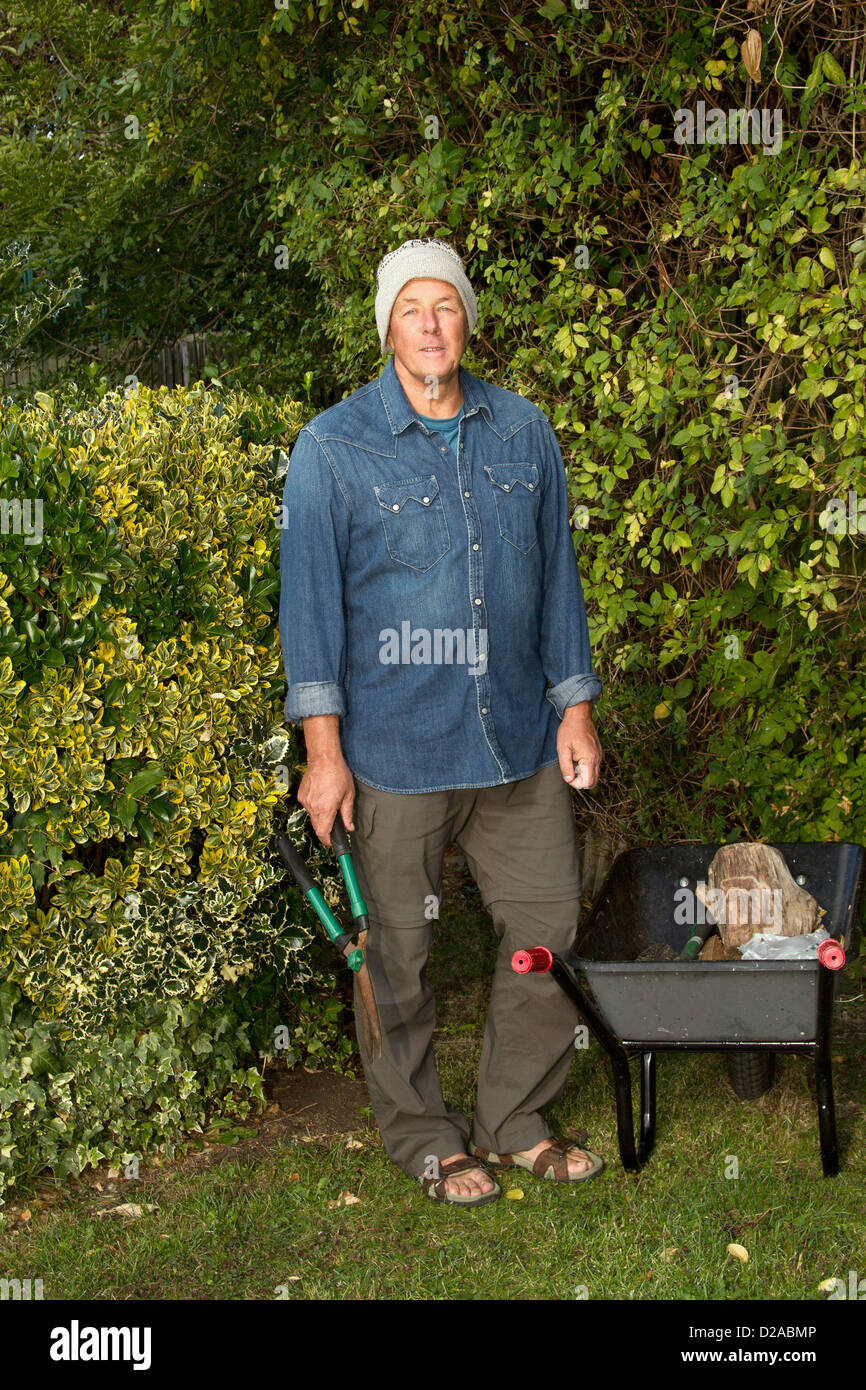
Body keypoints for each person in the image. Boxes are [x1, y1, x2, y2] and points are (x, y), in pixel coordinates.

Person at [278, 237, 604, 1205]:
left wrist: (573, 709)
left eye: (445, 306)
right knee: (397, 958)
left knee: (542, 926)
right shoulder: (330, 449)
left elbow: (556, 585)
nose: (429, 324)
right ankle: (425, 1135)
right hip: (393, 750)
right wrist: (323, 756)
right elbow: (310, 616)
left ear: (466, 320)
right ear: (386, 328)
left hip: (513, 745)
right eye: (410, 308)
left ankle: (513, 1119)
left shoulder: (523, 433)